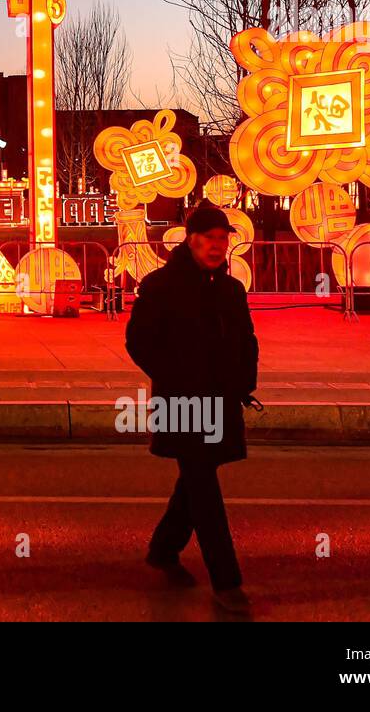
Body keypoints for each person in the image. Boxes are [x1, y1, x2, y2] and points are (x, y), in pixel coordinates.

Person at [125, 204, 259, 615]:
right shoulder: (161, 286)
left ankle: (163, 549)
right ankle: (227, 580)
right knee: (203, 488)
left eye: (223, 239)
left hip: (220, 400)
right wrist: (173, 378)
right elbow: (138, 342)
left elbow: (246, 341)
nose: (217, 246)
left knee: (197, 478)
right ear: (190, 238)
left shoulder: (230, 289)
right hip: (181, 402)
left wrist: (243, 384)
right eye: (209, 238)